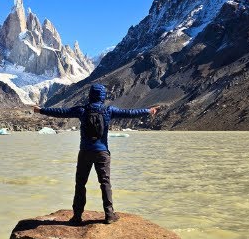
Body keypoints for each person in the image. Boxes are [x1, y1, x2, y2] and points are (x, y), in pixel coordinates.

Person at [32, 84, 159, 224]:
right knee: (105, 183)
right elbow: (130, 113)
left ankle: (77, 217)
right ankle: (109, 215)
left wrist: (41, 110)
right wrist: (148, 111)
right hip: (102, 152)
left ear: (90, 95)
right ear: (103, 96)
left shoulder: (82, 110)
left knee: (80, 184)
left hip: (85, 152)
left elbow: (61, 112)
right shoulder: (108, 110)